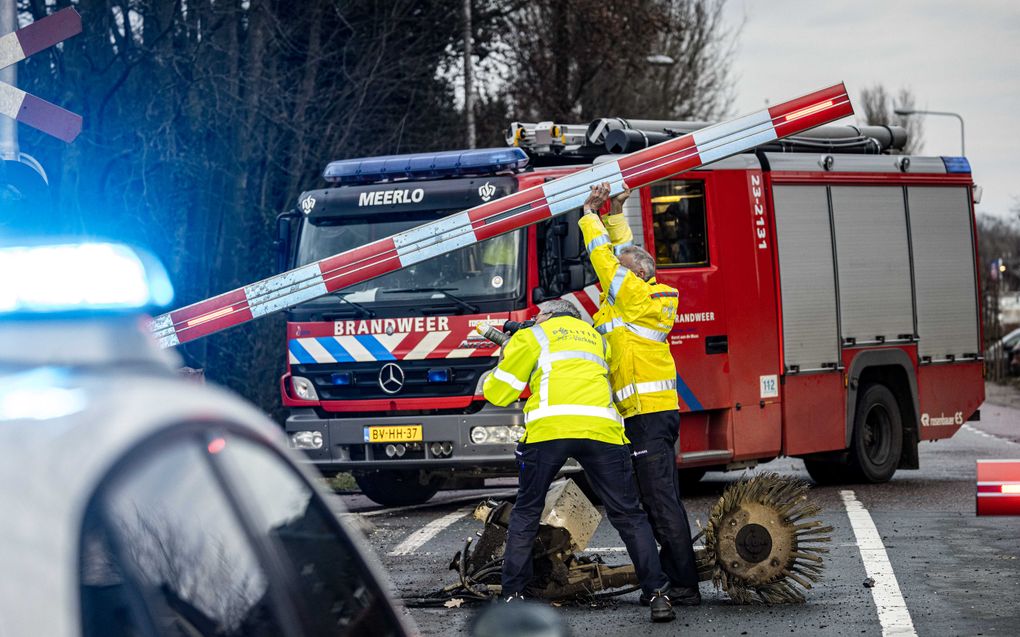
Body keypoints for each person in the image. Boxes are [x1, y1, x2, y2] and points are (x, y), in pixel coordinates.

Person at [482, 299, 676, 622]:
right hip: (602, 430)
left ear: (548, 316)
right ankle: (658, 595)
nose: (534, 318)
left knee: (527, 510)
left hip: (550, 430)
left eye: (537, 315)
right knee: (629, 514)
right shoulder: (597, 339)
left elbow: (499, 392)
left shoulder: (534, 337)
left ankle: (513, 596)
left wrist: (508, 354)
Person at [577, 182, 702, 607]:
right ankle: (674, 576)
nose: (617, 269)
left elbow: (605, 260)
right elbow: (622, 252)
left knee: (661, 500)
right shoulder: (634, 298)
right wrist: (616, 214)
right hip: (646, 414)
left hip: (646, 416)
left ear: (637, 276)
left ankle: (684, 584)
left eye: (624, 268)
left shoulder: (631, 296)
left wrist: (589, 214)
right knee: (656, 499)